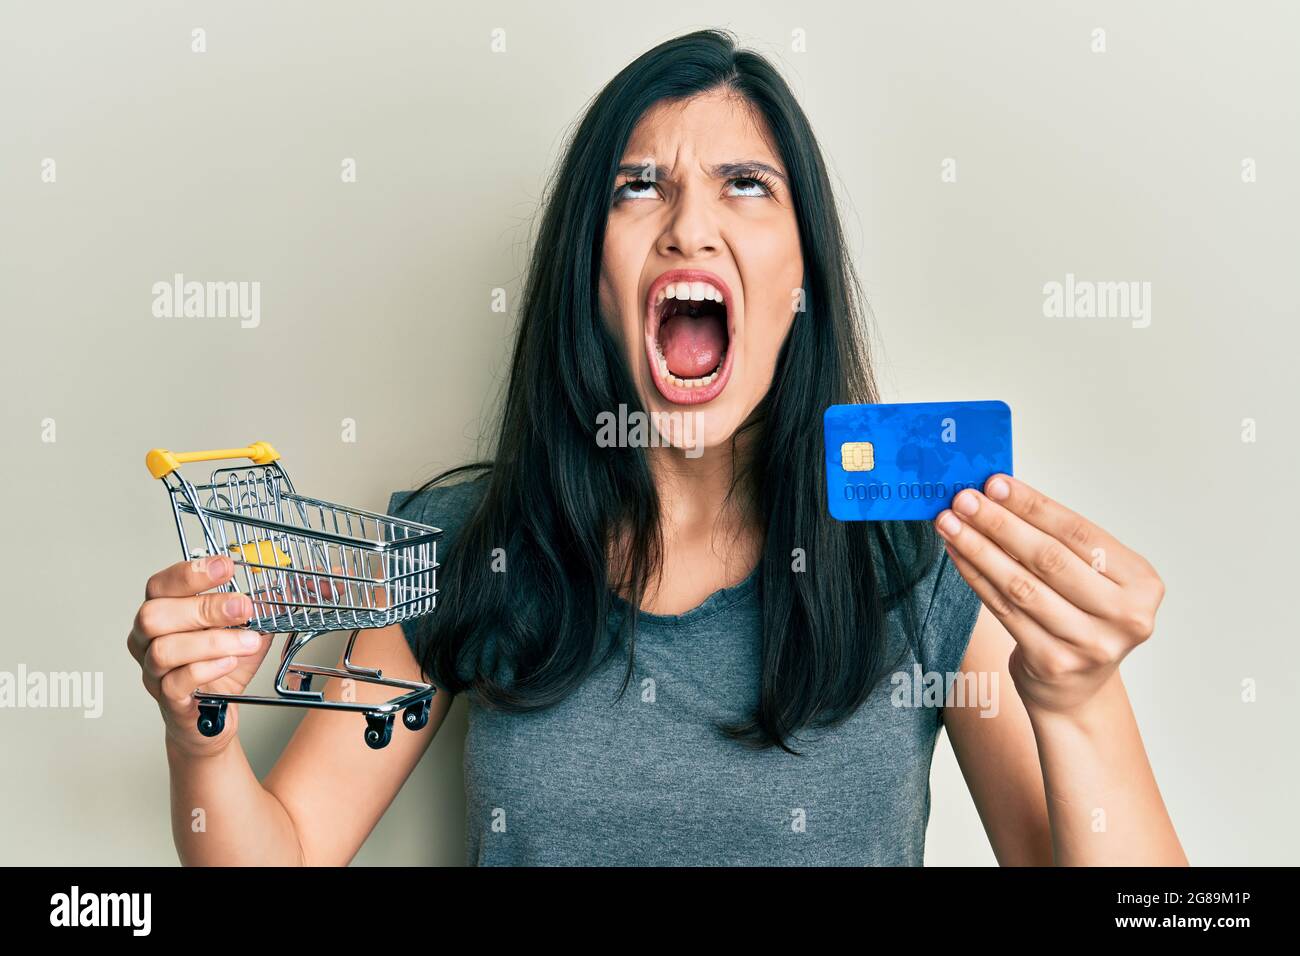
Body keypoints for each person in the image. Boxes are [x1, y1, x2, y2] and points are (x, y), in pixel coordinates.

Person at [126, 28, 1185, 866]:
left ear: (799, 280)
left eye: (744, 184)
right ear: (592, 279)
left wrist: (1079, 700)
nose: (686, 226)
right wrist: (200, 736)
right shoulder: (459, 546)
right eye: (639, 186)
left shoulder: (918, 559)